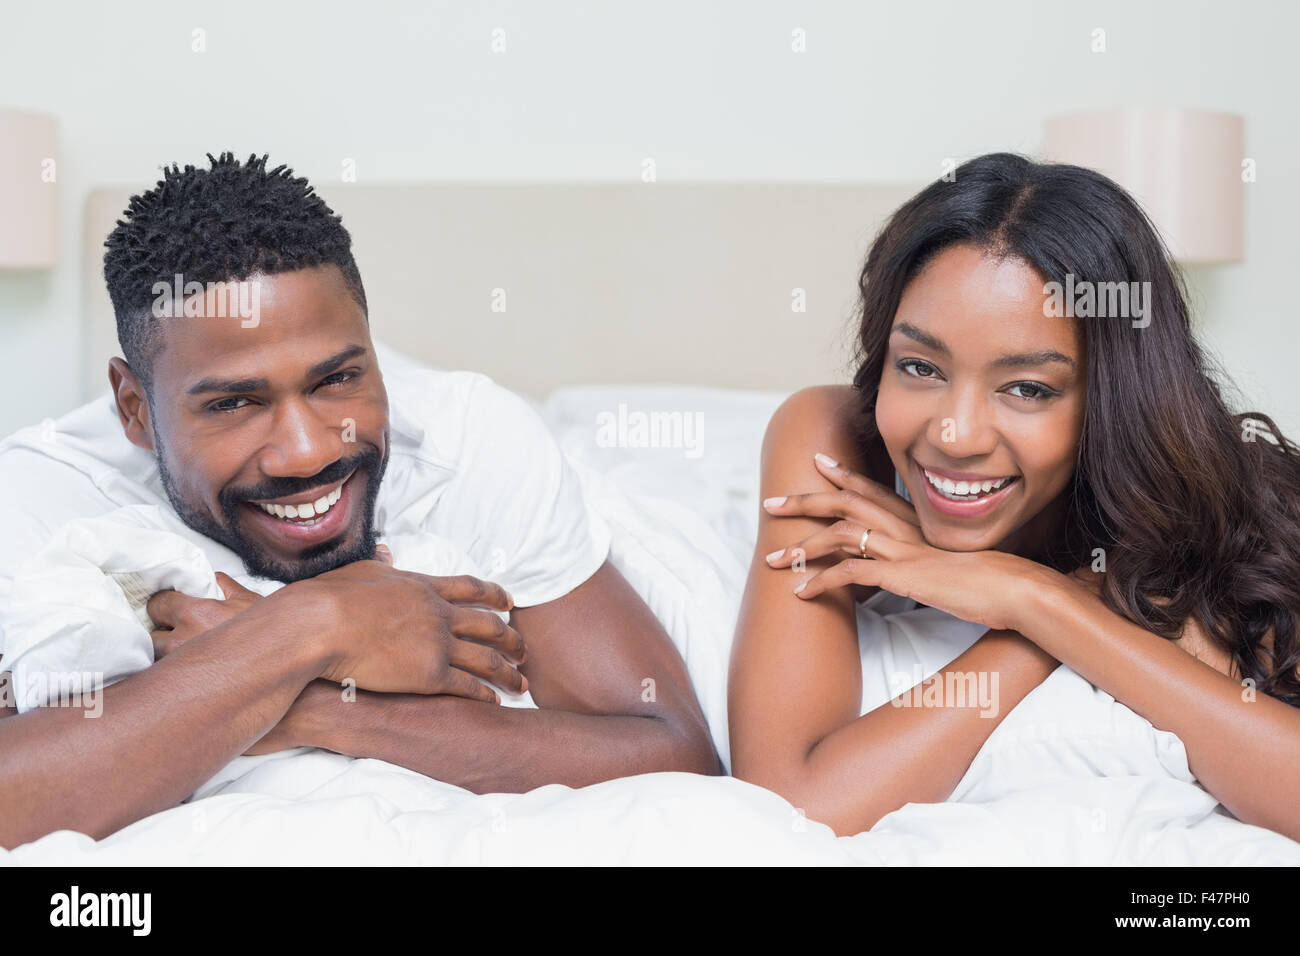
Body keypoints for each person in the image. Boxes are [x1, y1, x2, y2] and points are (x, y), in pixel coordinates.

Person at [0, 152, 720, 849]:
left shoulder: (467, 443)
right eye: (235, 403)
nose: (310, 452)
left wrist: (310, 704)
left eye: (335, 381)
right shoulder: (45, 498)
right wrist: (318, 625)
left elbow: (673, 753)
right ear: (134, 409)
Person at [728, 152, 1300, 840]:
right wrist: (1041, 624)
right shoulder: (830, 443)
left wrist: (1034, 598)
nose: (955, 433)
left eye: (1027, 387)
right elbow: (796, 801)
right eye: (919, 366)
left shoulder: (1207, 521)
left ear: (1113, 401)